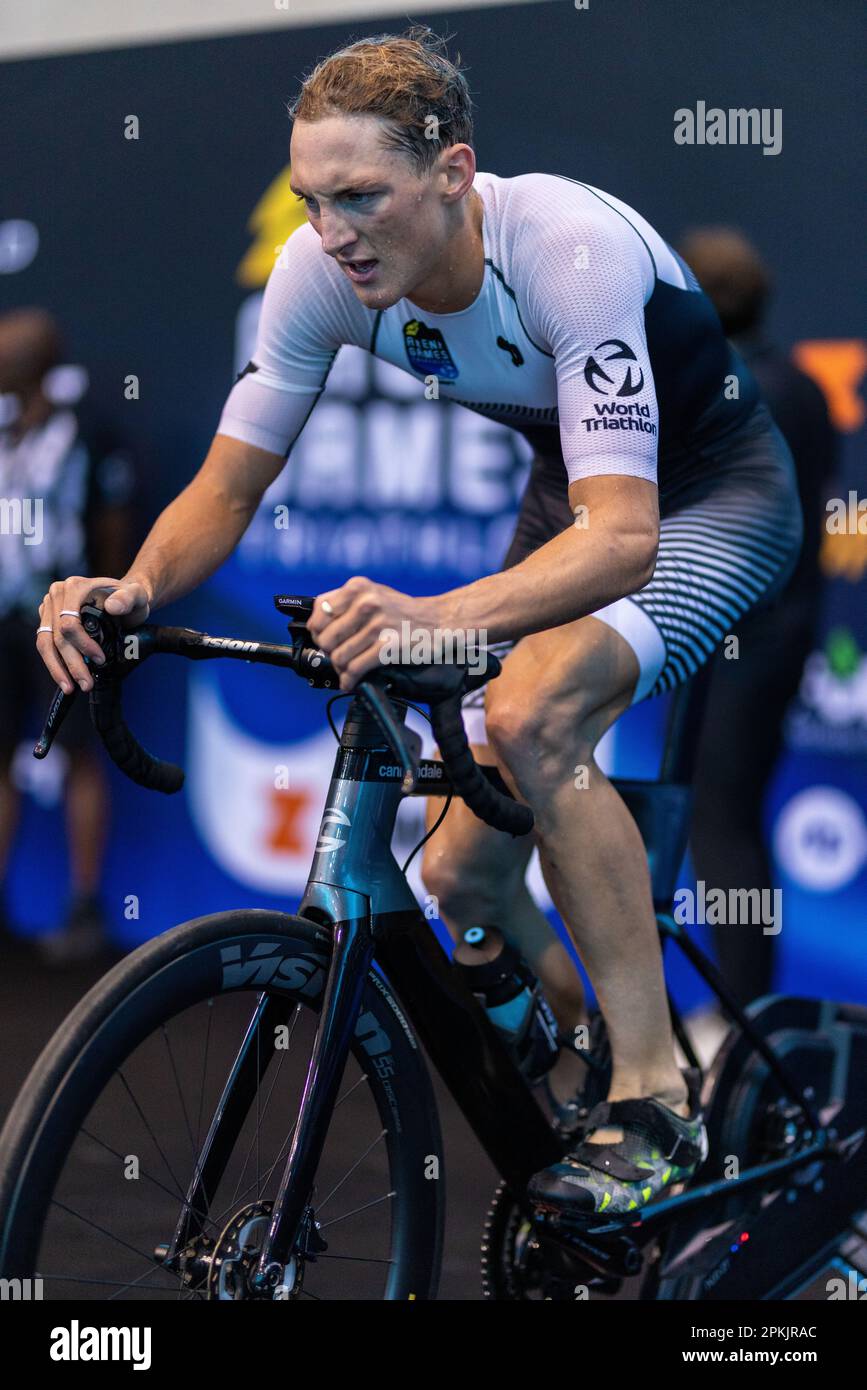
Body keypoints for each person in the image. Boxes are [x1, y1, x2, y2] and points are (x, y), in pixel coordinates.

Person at [35, 29, 803, 1218]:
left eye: (359, 197)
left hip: (712, 498)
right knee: (456, 872)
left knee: (533, 708)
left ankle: (654, 1100)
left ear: (453, 174)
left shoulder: (568, 247)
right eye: (310, 199)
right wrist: (130, 587)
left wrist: (435, 616)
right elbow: (227, 488)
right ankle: (594, 1043)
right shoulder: (317, 274)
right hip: (574, 494)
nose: (331, 232)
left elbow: (625, 539)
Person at [675, 228, 837, 1020]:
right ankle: (742, 1010)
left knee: (722, 822)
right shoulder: (796, 382)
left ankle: (741, 1019)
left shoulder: (742, 389)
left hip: (748, 642)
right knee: (721, 819)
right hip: (760, 639)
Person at [0, 308, 136, 963]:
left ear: (43, 361)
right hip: (3, 621)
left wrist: (98, 610)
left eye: (14, 347)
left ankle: (84, 909)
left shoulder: (90, 434)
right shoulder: (1, 436)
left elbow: (112, 524)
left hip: (70, 621)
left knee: (80, 753)